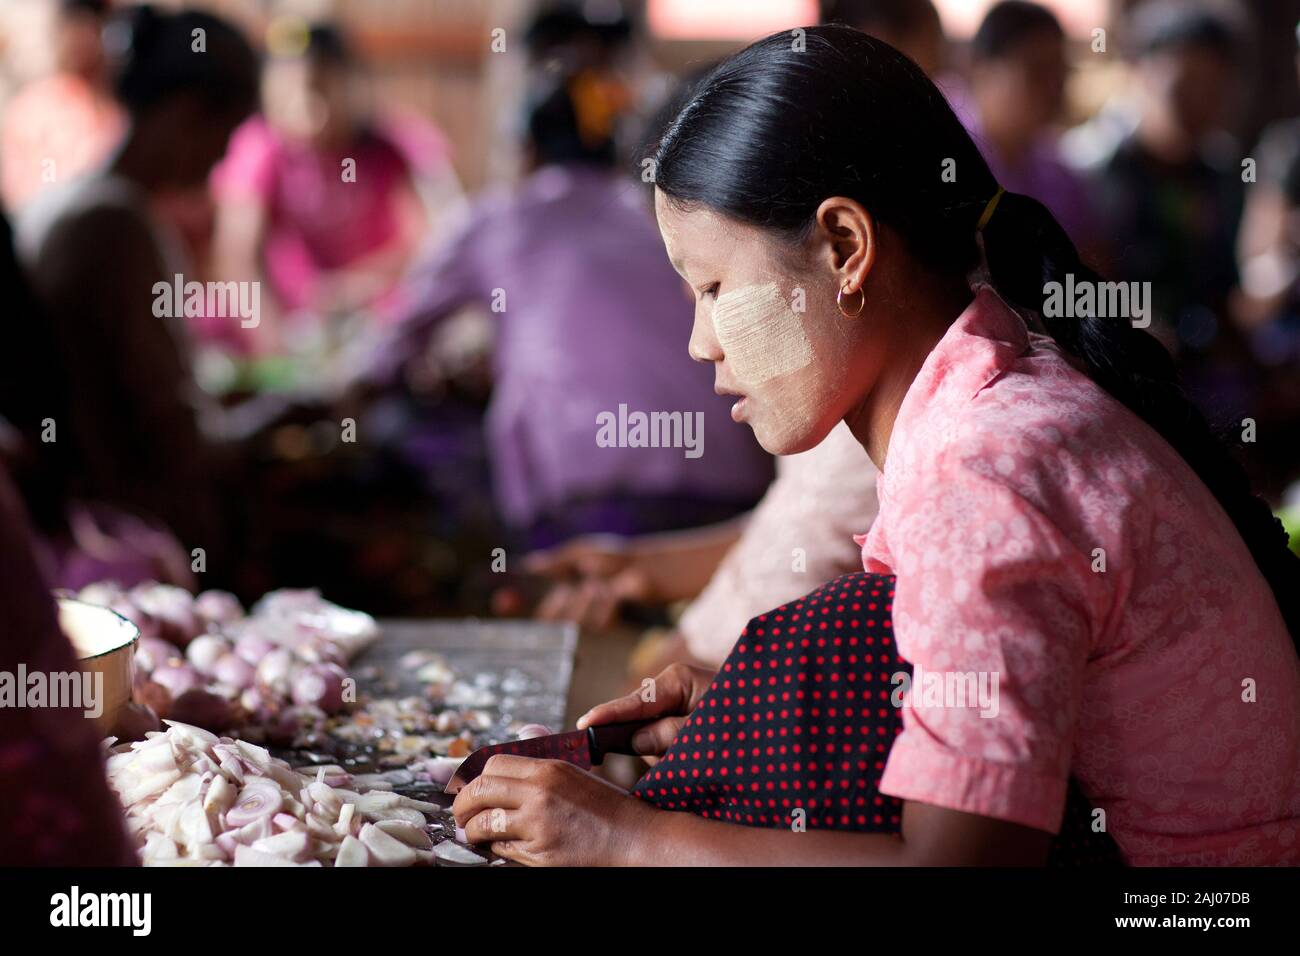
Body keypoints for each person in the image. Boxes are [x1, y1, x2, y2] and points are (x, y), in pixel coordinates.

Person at [450, 26, 1300, 866]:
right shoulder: (989, 386)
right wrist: (754, 714)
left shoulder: (984, 467)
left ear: (846, 250)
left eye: (713, 287)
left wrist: (624, 837)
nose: (700, 343)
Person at [357, 71, 772, 549]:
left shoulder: (498, 218)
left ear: (525, 152)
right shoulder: (661, 215)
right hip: (736, 498)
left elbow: (384, 351)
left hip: (587, 504)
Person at [16, 5, 261, 573]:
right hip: (127, 542)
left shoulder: (64, 202)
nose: (225, 157)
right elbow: (173, 440)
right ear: (186, 114)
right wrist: (275, 422)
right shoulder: (116, 225)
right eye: (227, 134)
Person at [210, 20, 463, 354]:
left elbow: (442, 239)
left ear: (353, 84)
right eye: (289, 92)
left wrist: (361, 286)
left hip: (378, 317)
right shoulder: (262, 149)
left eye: (320, 88)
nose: (306, 105)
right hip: (288, 321)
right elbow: (238, 256)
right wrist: (274, 345)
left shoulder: (395, 146)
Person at [962, 2, 1096, 254]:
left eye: (1060, 73)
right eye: (1038, 72)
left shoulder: (1060, 176)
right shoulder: (941, 151)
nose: (1054, 89)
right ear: (982, 69)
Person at [1, 0, 123, 210]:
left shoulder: (120, 105)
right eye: (73, 29)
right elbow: (19, 189)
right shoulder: (35, 109)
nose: (80, 41)